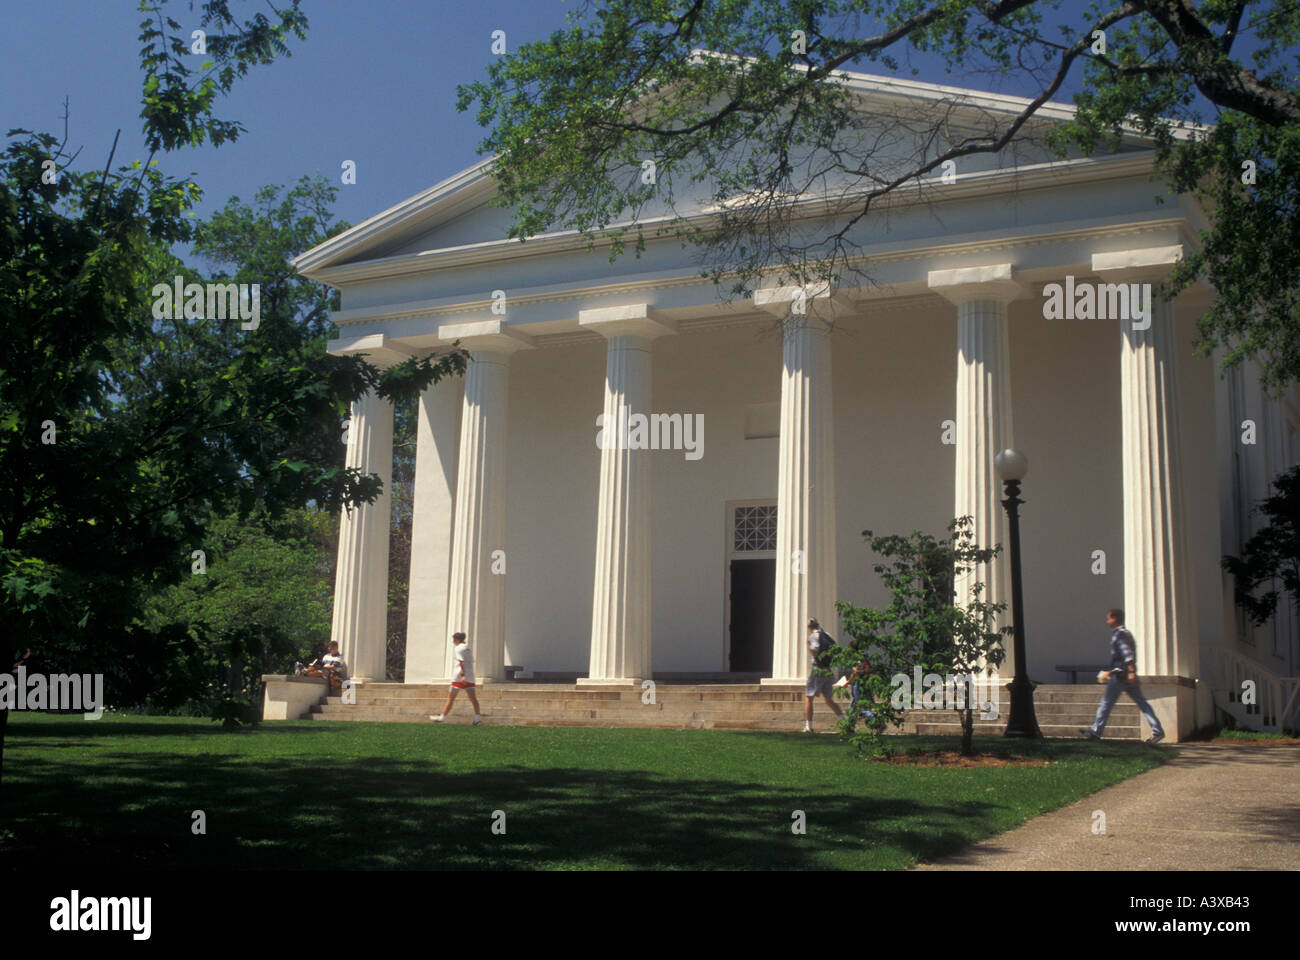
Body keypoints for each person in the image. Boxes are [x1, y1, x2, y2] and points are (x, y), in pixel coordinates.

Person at [1080, 608, 1165, 744]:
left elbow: (1127, 654)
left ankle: (1095, 731)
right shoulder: (1125, 633)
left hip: (1121, 676)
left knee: (1106, 704)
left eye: (1108, 618)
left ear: (1114, 619)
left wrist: (1130, 672)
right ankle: (1157, 731)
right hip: (1123, 674)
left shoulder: (1120, 634)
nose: (1107, 621)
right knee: (1142, 703)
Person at [431, 632, 482, 725]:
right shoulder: (468, 648)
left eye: (454, 640)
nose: (453, 642)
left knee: (450, 698)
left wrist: (462, 676)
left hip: (459, 677)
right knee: (473, 699)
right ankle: (477, 719)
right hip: (470, 676)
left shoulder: (458, 648)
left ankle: (442, 717)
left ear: (457, 640)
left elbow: (461, 662)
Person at [804, 618, 845, 733]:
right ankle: (844, 723)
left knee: (808, 697)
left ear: (809, 628)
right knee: (828, 699)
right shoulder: (826, 635)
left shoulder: (813, 637)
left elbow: (815, 651)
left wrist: (808, 645)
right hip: (828, 670)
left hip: (818, 669)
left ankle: (809, 726)